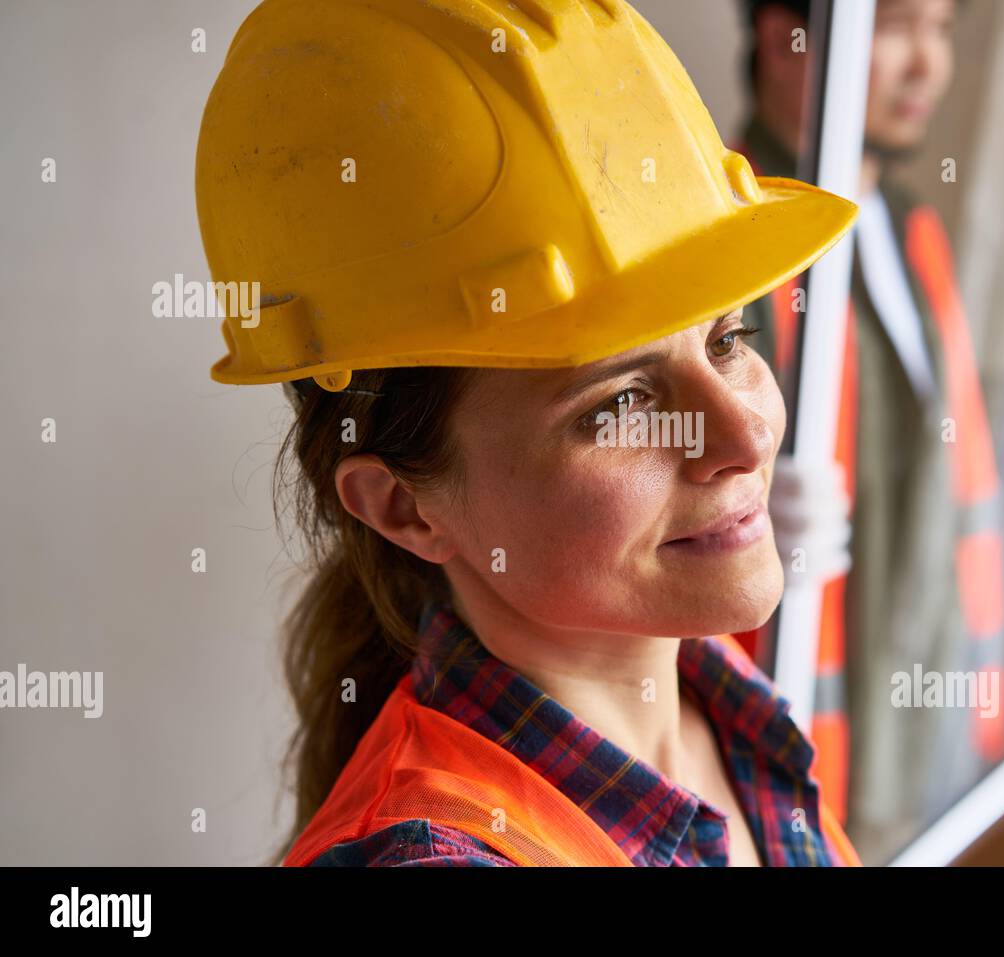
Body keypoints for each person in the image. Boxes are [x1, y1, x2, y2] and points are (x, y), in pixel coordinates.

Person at [194, 0, 862, 866]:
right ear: (404, 506)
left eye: (727, 340)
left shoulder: (728, 711)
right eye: (619, 404)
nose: (742, 432)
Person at [737, 0, 1004, 858]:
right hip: (801, 776)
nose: (929, 65)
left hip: (928, 754)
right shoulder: (731, 246)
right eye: (895, 25)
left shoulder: (910, 229)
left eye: (943, 28)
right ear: (788, 39)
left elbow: (950, 467)